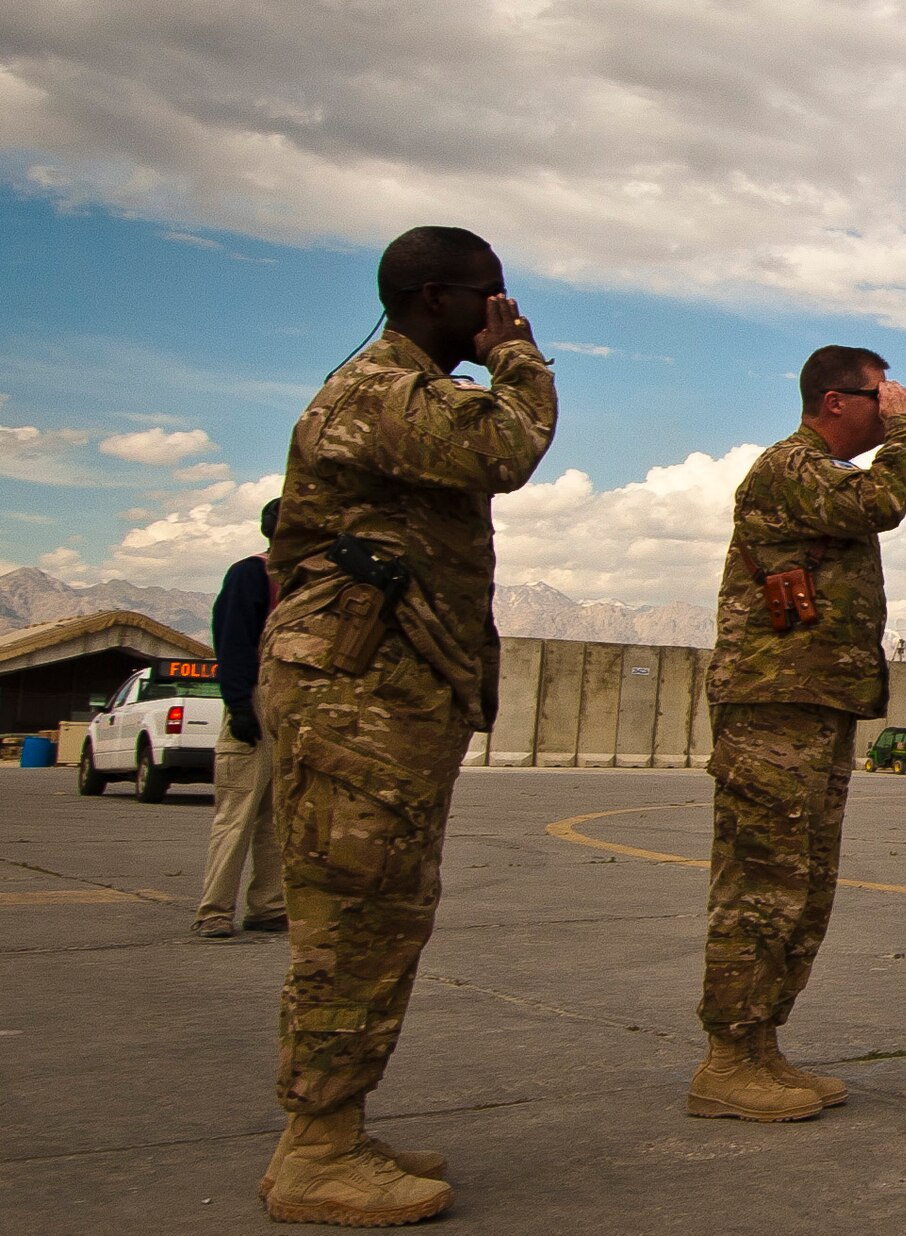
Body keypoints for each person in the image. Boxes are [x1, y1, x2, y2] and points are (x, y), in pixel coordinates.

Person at [256, 226, 556, 1226]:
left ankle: (336, 1129)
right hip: (356, 700)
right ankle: (316, 1154)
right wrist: (517, 358)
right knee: (353, 917)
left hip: (387, 693)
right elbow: (506, 446)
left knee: (382, 914)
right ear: (435, 297)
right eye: (489, 296)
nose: (501, 312)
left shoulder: (407, 389)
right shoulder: (378, 390)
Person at [690, 346, 906, 1121]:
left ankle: (760, 1047)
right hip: (771, 710)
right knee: (761, 885)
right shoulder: (786, 468)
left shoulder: (819, 480)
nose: (887, 406)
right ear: (835, 401)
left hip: (813, 706)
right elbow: (881, 503)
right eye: (877, 396)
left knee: (802, 886)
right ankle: (727, 1058)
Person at [192, 498, 286, 940]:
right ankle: (215, 909)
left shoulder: (307, 580)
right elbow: (231, 644)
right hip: (256, 699)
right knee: (238, 813)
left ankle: (269, 905)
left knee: (280, 816)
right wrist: (239, 706)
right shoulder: (251, 574)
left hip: (295, 707)